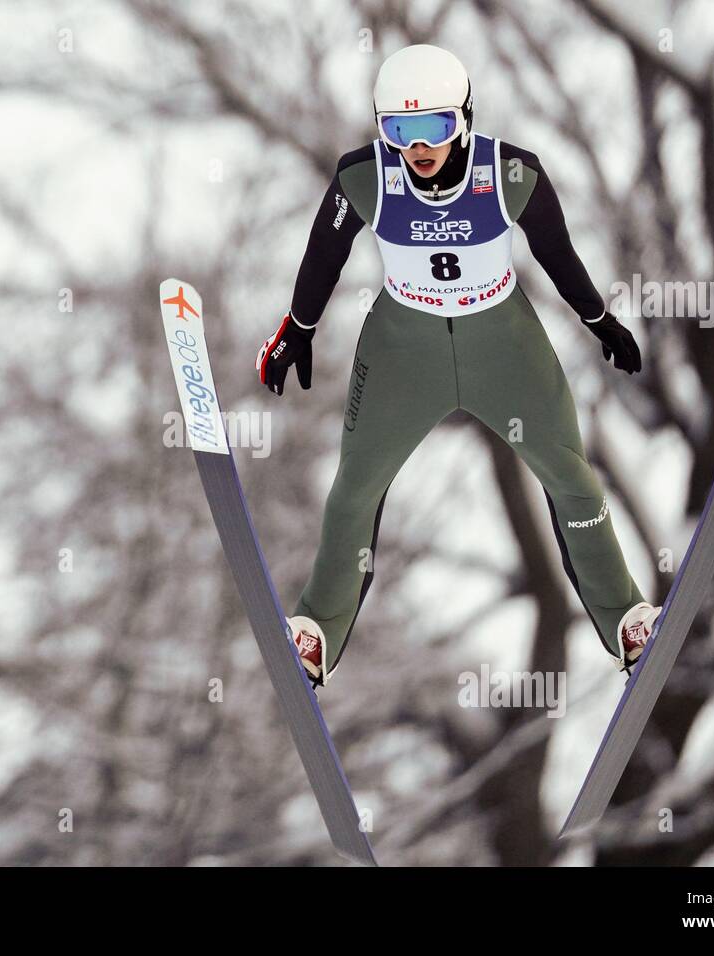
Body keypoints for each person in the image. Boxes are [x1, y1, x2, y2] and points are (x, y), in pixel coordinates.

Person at [256, 44, 659, 687]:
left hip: (501, 342)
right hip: (402, 348)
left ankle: (627, 620)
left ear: (464, 118)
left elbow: (557, 252)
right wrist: (298, 330)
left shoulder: (512, 174)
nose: (417, 148)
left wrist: (598, 319)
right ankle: (317, 634)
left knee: (573, 480)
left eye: (433, 128)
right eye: (399, 130)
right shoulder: (364, 177)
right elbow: (324, 255)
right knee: (355, 490)